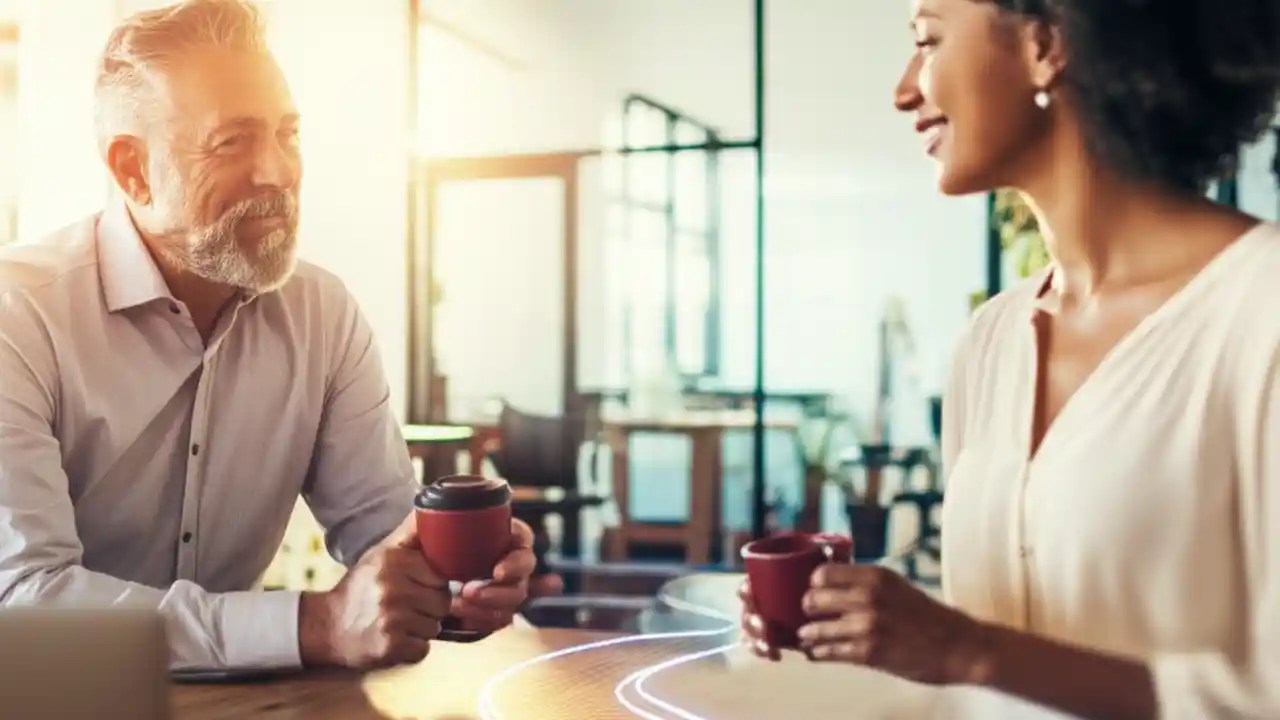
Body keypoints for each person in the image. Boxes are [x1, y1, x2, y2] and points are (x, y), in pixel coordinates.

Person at [741, 0, 1280, 717]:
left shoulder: (1260, 311)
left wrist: (966, 649)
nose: (904, 89)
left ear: (1046, 42)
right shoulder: (991, 339)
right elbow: (1003, 650)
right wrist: (868, 626)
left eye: (928, 41)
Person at [0, 0, 535, 672]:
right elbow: (25, 602)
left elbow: (385, 540)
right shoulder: (17, 314)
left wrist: (458, 582)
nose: (278, 172)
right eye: (232, 142)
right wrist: (316, 624)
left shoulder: (323, 314)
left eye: (288, 133)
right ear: (133, 170)